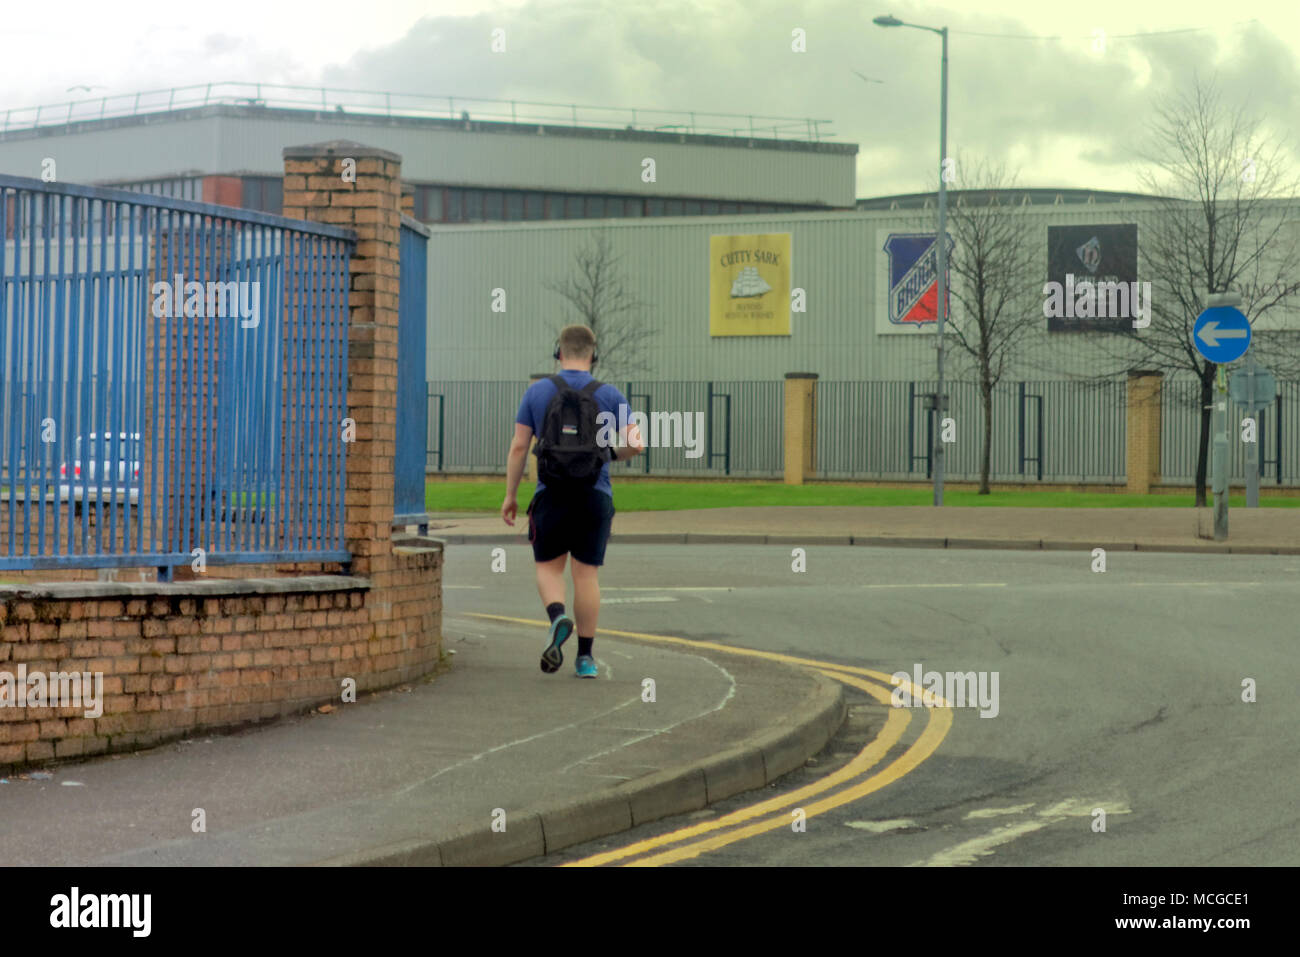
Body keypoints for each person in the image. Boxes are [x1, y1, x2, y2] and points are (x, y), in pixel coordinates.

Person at [501, 325, 644, 678]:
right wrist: (604, 455)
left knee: (549, 568)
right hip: (594, 495)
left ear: (558, 353)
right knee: (586, 575)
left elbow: (519, 447)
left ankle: (556, 616)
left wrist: (510, 495)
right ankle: (585, 659)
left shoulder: (537, 393)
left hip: (550, 494)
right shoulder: (610, 395)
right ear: (593, 355)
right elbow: (637, 443)